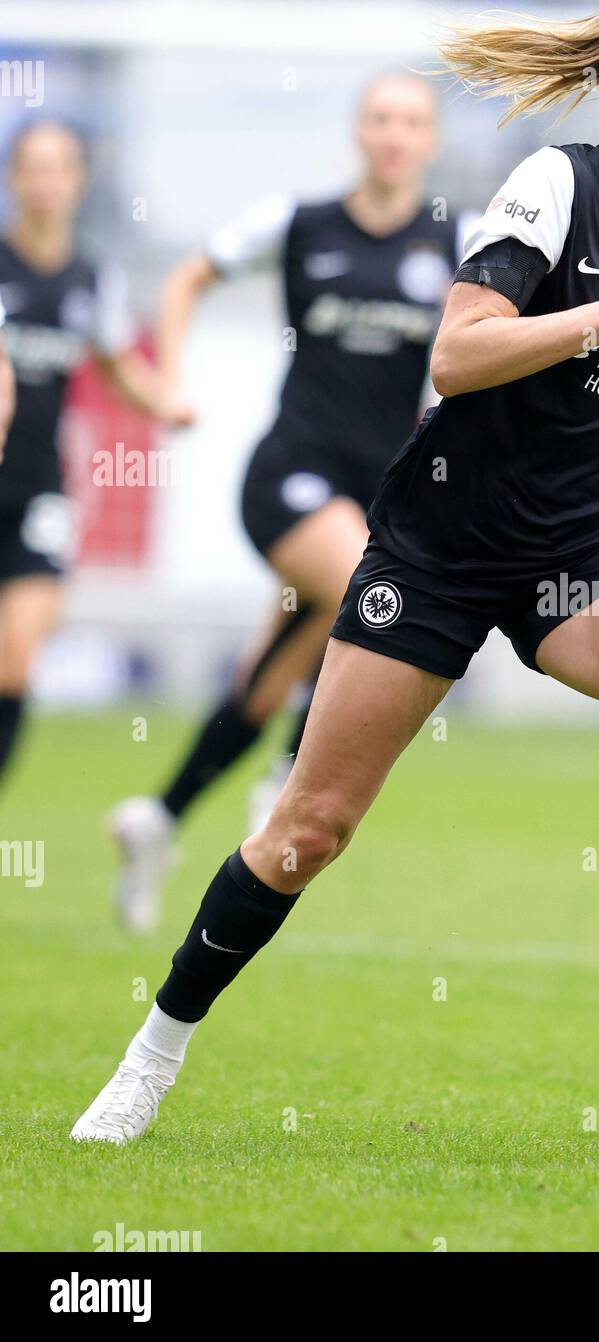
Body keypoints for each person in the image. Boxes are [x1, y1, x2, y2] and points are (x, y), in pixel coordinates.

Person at [72, 0, 599, 1144]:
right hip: (441, 543)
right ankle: (155, 1052)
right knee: (310, 828)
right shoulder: (557, 187)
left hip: (589, 541)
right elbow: (456, 354)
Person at [108, 74, 473, 933]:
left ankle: (157, 819)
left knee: (274, 671)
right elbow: (187, 279)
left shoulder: (458, 237)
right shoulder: (299, 223)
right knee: (362, 595)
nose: (394, 135)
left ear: (429, 139)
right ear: (359, 132)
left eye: (411, 122)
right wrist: (169, 382)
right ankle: (284, 779)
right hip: (289, 475)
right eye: (380, 119)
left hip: (381, 490)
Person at [0, 121, 185, 792]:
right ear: (15, 177)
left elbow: (116, 367)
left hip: (39, 492)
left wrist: (165, 401)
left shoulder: (89, 279)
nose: (45, 182)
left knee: (16, 659)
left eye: (59, 168)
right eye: (32, 167)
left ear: (78, 181)